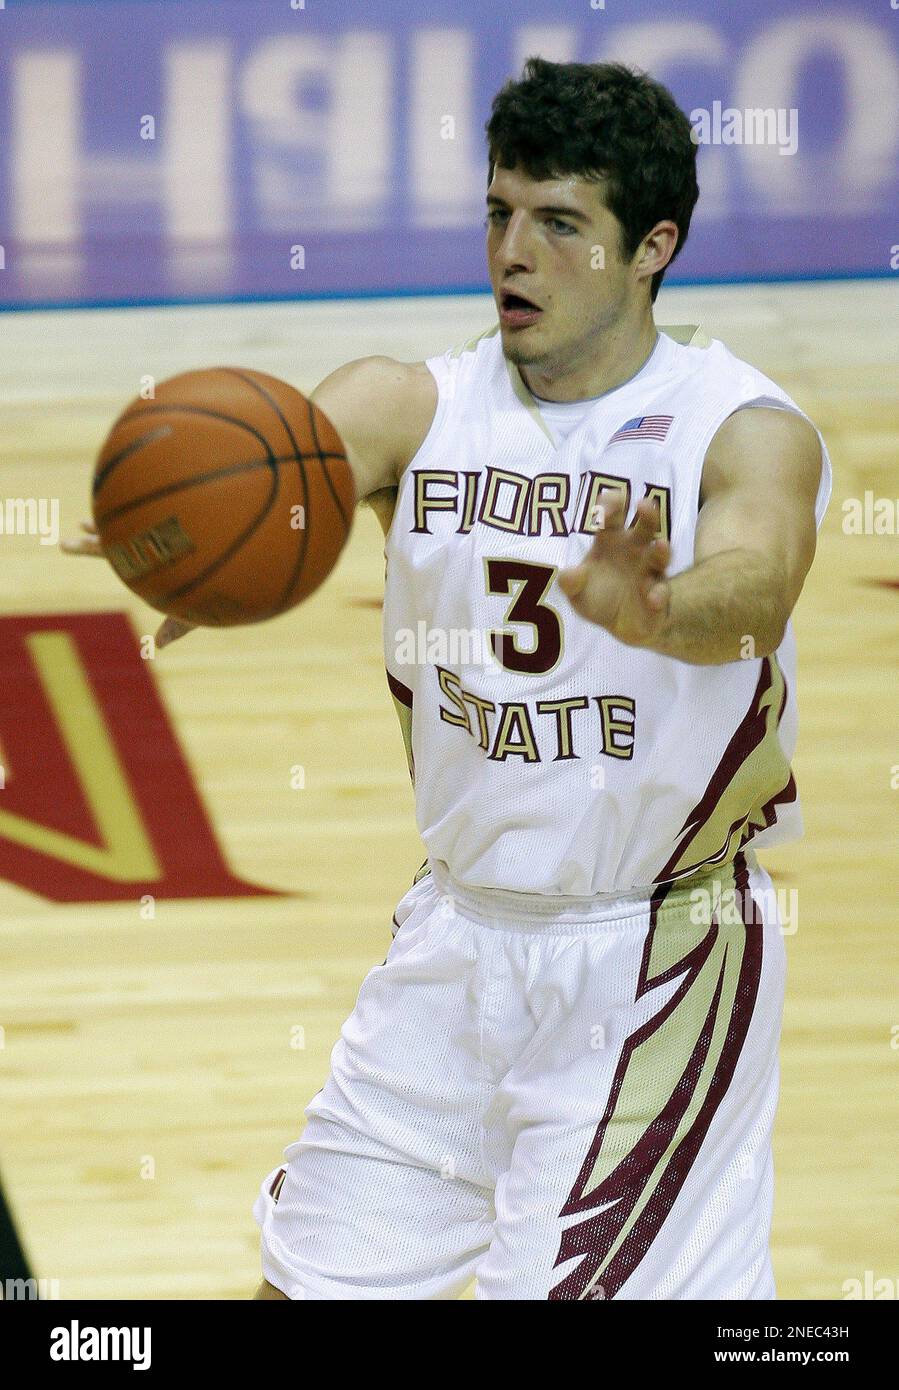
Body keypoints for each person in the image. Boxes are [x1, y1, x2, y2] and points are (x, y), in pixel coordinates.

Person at [68, 58, 831, 1300]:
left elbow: (758, 585)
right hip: (457, 930)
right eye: (498, 213)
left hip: (654, 954)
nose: (512, 252)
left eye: (557, 224)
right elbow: (291, 465)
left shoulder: (740, 426)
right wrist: (190, 546)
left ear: (651, 247)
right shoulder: (412, 405)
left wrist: (656, 606)